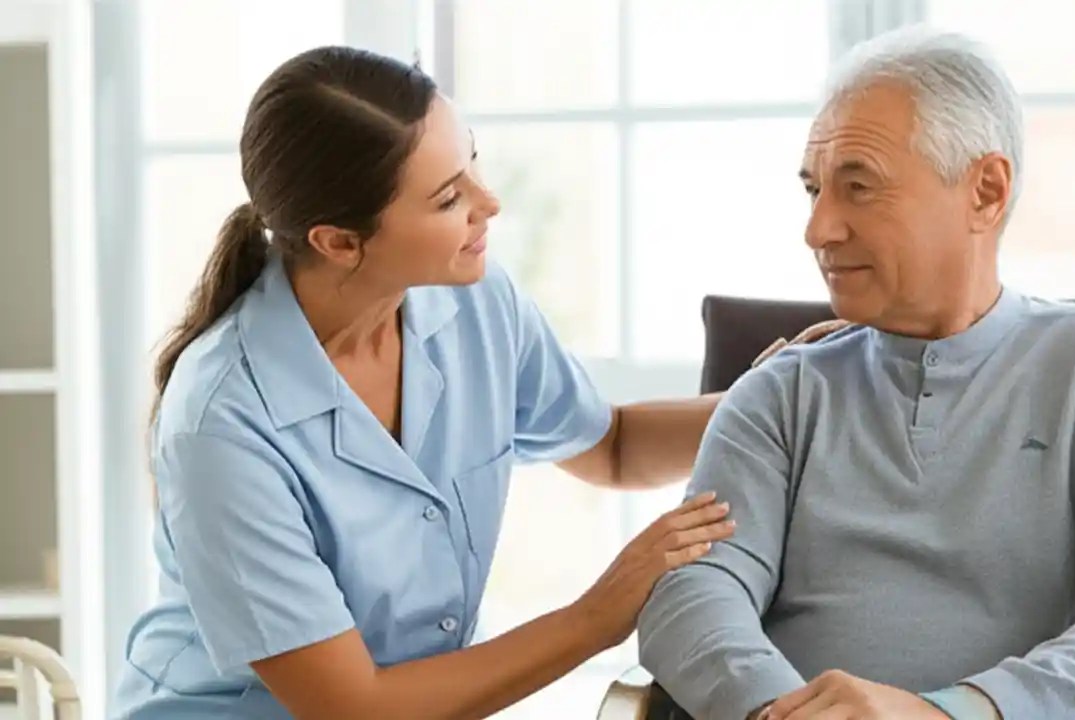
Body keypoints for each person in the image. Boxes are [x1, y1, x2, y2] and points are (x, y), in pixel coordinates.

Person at [110, 45, 808, 719]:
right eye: (448, 198)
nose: (489, 202)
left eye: (471, 162)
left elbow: (613, 445)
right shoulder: (221, 424)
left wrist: (778, 397)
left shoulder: (472, 301)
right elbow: (358, 709)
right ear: (339, 242)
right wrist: (598, 615)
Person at [637, 25, 1075, 720]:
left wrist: (947, 713)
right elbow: (693, 593)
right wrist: (787, 712)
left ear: (986, 192)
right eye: (814, 189)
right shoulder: (777, 394)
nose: (819, 228)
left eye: (858, 188)